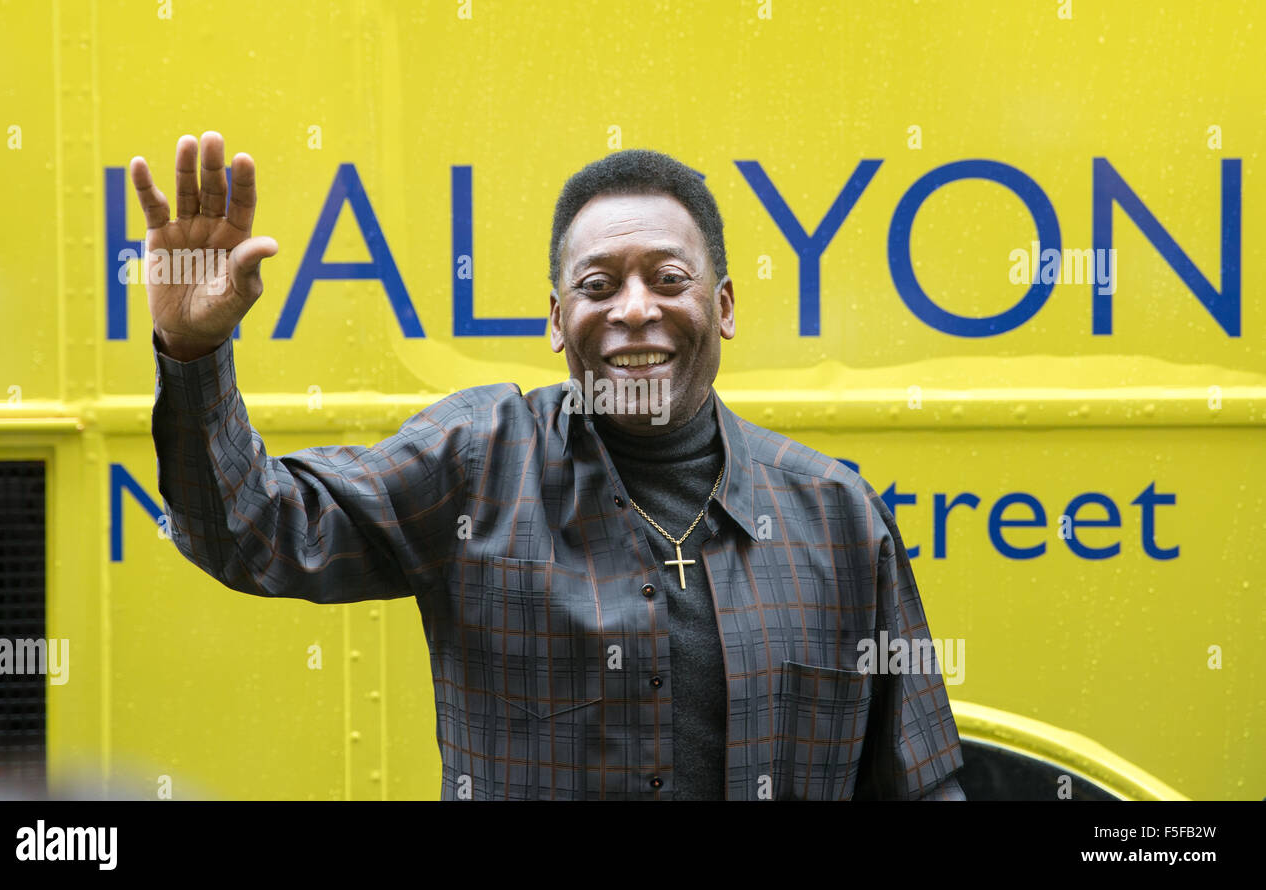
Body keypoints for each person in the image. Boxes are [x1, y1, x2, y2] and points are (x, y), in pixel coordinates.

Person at [131, 131, 966, 800]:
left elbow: (919, 784)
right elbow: (254, 531)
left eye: (668, 279)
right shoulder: (477, 461)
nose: (635, 309)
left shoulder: (839, 517)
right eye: (599, 285)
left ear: (723, 305)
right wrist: (196, 349)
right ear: (558, 322)